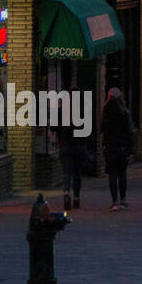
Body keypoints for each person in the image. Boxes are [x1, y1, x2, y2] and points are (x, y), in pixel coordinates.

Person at [100, 87, 134, 210]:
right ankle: (123, 201)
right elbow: (130, 130)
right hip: (122, 147)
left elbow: (101, 129)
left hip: (110, 147)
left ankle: (114, 202)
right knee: (122, 174)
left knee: (112, 174)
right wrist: (130, 147)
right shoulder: (125, 112)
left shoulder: (105, 111)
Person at [56, 76, 87, 211]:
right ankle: (77, 198)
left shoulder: (62, 110)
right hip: (79, 146)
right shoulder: (83, 111)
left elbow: (54, 127)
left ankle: (66, 194)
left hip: (65, 145)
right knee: (77, 174)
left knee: (66, 173)